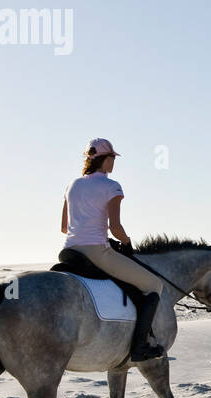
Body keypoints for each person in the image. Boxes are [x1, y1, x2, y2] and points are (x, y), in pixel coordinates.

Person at [60, 138, 166, 361]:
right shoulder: (111, 186)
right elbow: (115, 227)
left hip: (69, 251)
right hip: (97, 252)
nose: (114, 162)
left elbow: (63, 227)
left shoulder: (72, 185)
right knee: (154, 284)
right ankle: (139, 348)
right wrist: (126, 243)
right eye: (112, 158)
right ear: (104, 159)